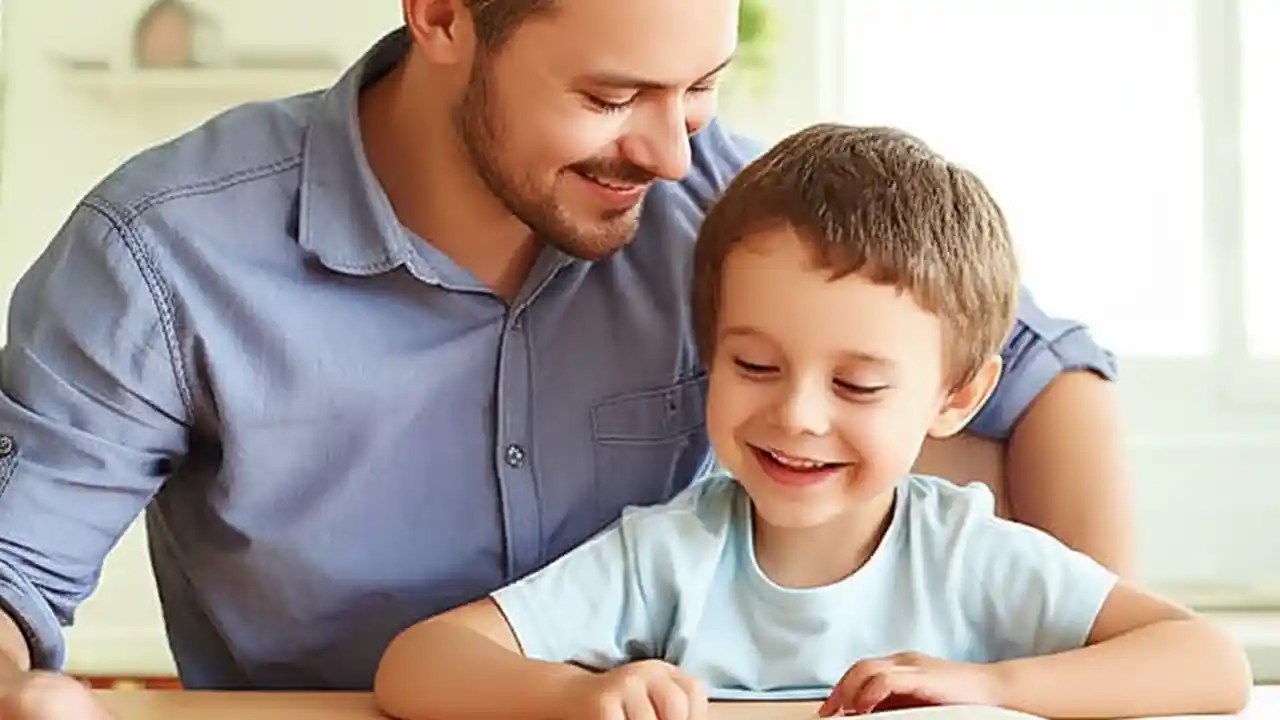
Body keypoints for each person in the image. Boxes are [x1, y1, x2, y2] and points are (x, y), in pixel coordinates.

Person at [0, 0, 1129, 713]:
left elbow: (1043, 377)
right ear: (442, 15)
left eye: (699, 89)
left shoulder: (726, 208)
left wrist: (1053, 680)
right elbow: (14, 574)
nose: (666, 147)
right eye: (609, 95)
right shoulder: (165, 254)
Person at [372, 123, 1252, 720]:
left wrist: (992, 685)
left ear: (956, 396)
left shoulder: (968, 557)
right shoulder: (667, 556)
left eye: (859, 386)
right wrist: (567, 697)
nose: (795, 415)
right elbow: (417, 665)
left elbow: (1212, 664)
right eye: (753, 366)